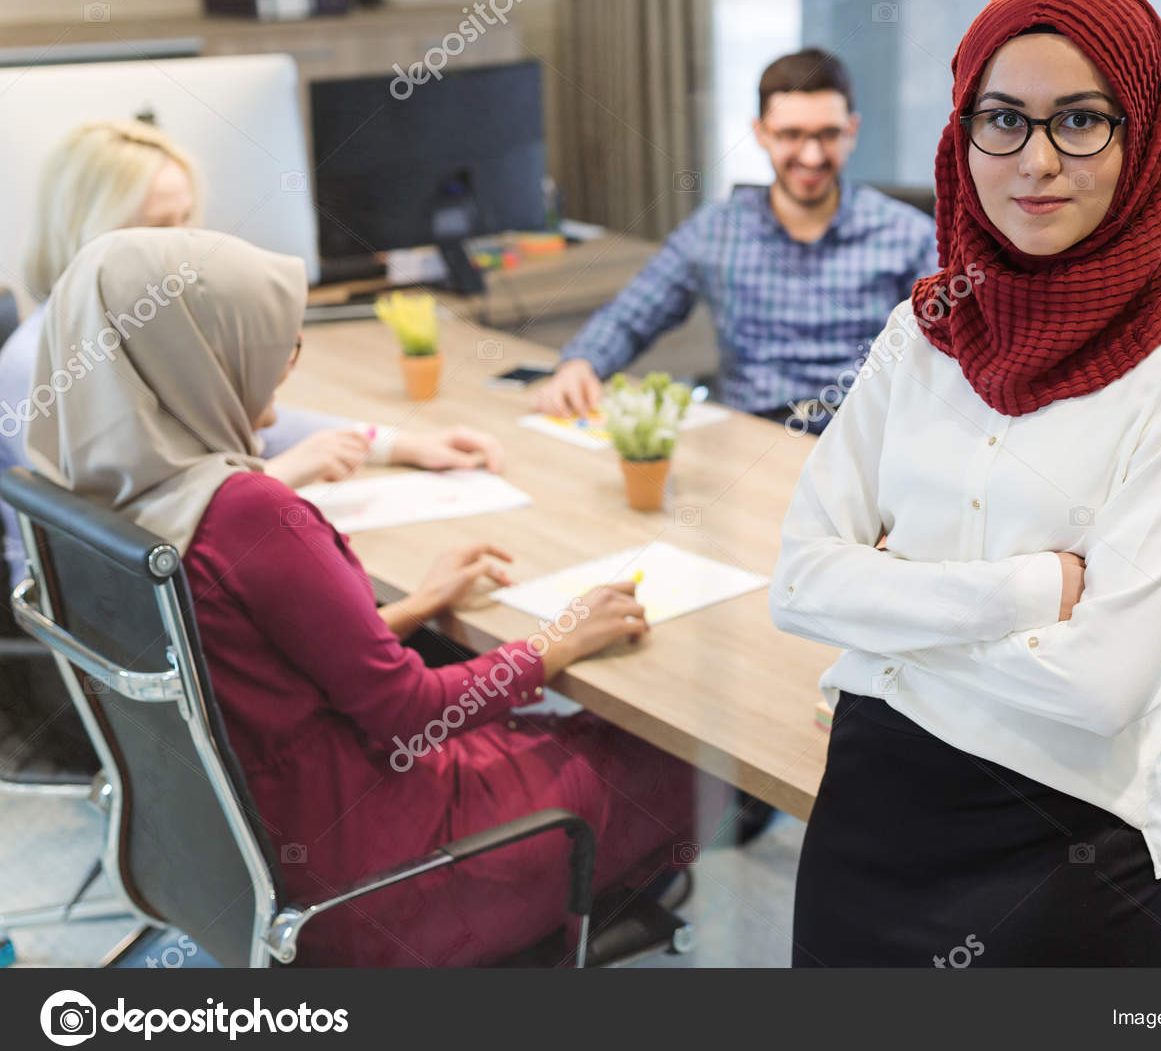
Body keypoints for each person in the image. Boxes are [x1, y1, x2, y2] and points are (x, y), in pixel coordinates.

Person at [27, 226, 702, 966]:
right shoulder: (248, 511)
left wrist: (410, 610)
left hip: (241, 859)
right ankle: (564, 912)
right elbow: (407, 710)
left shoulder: (91, 493)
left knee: (556, 730)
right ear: (195, 359)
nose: (277, 399)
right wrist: (560, 638)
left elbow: (244, 666)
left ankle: (574, 903)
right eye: (265, 361)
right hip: (374, 880)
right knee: (677, 755)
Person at [771, 0, 1161, 967]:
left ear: (1146, 131)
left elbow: (1098, 691)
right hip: (870, 806)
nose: (1035, 161)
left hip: (1060, 839)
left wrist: (888, 598)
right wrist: (1036, 588)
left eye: (1080, 120)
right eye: (1002, 119)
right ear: (962, 134)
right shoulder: (925, 325)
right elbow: (800, 584)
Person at [0, 119, 504, 591]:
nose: (179, 245)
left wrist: (395, 444)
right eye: (154, 228)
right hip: (107, 608)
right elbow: (122, 534)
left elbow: (242, 424)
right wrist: (277, 479)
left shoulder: (139, 329)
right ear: (85, 233)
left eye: (186, 222)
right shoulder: (37, 364)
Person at [527, 49, 939, 433]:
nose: (811, 156)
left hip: (864, 443)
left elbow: (955, 351)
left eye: (828, 134)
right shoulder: (717, 230)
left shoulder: (906, 235)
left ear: (852, 131)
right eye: (791, 134)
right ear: (760, 133)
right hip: (752, 439)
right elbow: (632, 316)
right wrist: (581, 363)